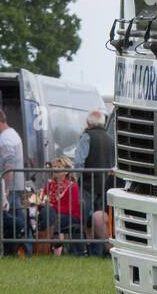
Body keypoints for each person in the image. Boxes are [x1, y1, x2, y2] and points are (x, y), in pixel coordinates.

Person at [75, 109, 114, 256]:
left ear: (90, 122)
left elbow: (79, 163)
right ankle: (100, 252)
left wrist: (76, 178)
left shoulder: (86, 136)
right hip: (105, 186)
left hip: (87, 186)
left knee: (84, 220)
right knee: (101, 221)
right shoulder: (110, 139)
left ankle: (84, 250)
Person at [0, 108, 27, 255]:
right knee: (15, 217)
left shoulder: (6, 139)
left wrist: (4, 187)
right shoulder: (12, 134)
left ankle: (22, 249)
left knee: (7, 218)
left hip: (8, 186)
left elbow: (9, 164)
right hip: (13, 184)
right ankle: (23, 249)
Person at [39, 158, 84, 255]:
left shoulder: (73, 186)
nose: (55, 169)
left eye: (58, 167)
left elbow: (69, 209)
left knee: (50, 216)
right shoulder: (49, 184)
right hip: (51, 214)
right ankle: (52, 244)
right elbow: (42, 199)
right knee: (48, 214)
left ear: (66, 171)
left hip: (71, 216)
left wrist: (53, 207)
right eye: (54, 166)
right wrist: (42, 203)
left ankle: (46, 248)